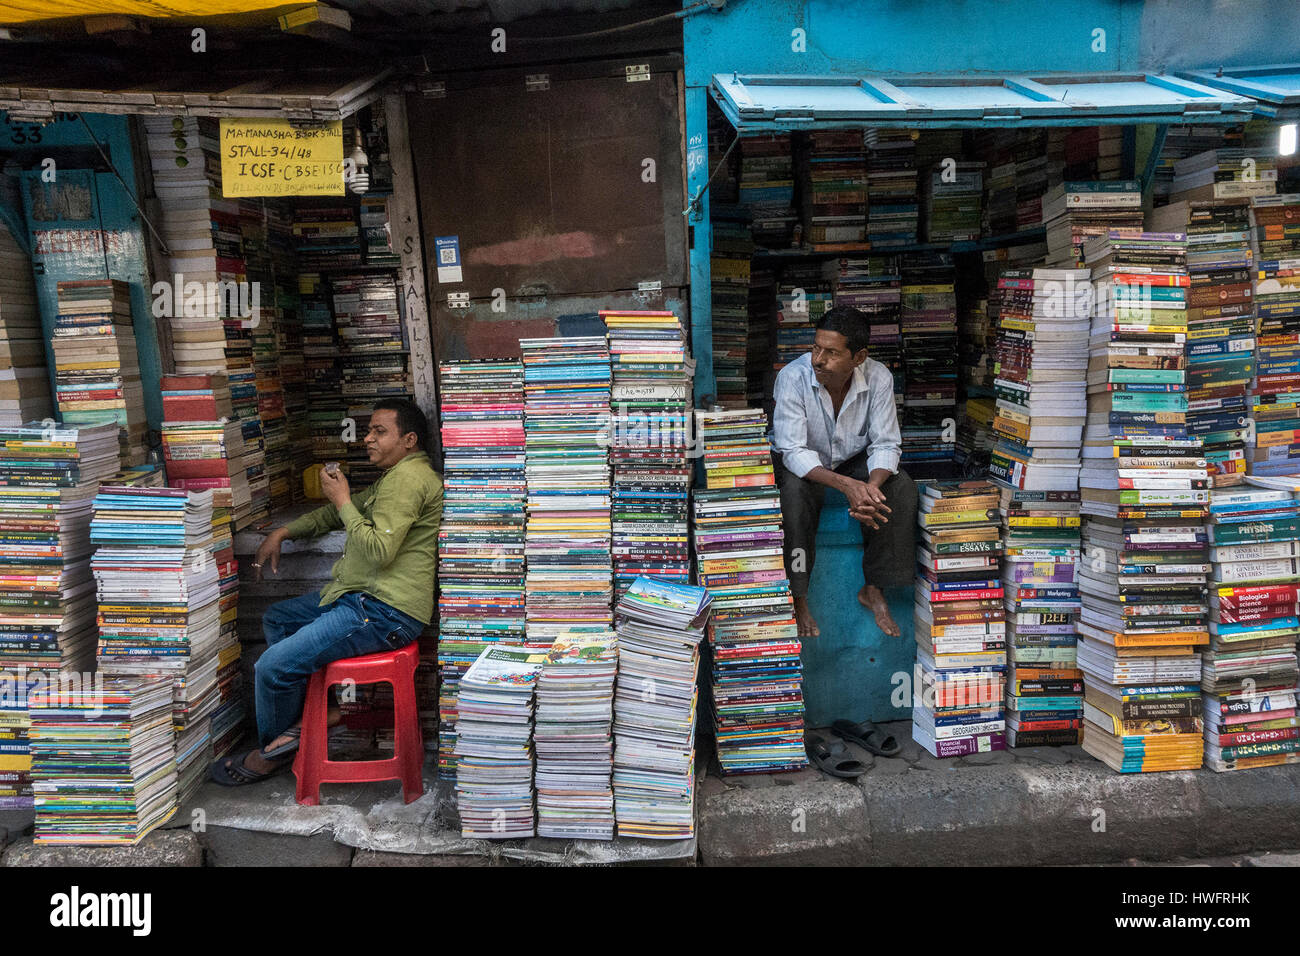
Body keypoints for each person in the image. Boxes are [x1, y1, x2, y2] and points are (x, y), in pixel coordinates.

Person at [211, 398, 443, 785]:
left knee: (271, 666)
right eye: (368, 430)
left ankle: (272, 753)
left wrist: (343, 500)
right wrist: (284, 531)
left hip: (384, 613)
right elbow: (333, 515)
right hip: (362, 601)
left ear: (409, 440)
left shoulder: (409, 480)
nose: (366, 438)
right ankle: (319, 717)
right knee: (278, 618)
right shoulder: (395, 477)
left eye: (379, 432)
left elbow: (379, 550)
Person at [772, 305, 917, 640]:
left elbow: (886, 444)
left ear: (859, 356)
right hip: (806, 464)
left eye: (832, 352)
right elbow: (792, 450)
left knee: (900, 487)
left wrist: (870, 488)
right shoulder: (793, 378)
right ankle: (799, 595)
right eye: (815, 348)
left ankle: (874, 587)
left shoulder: (879, 377)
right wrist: (848, 486)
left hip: (853, 460)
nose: (819, 359)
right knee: (793, 495)